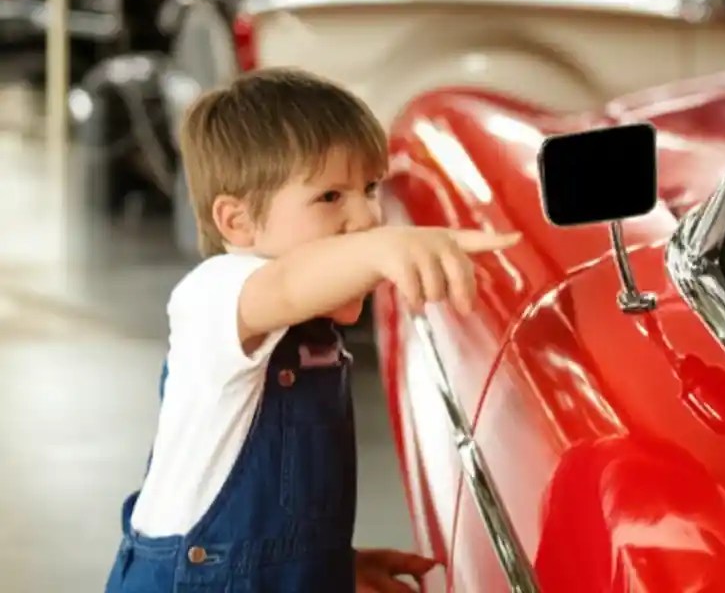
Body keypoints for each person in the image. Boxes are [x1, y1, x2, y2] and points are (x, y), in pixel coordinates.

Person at [104, 68, 521, 592]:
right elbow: (287, 285)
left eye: (370, 189)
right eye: (330, 198)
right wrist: (382, 249)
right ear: (237, 222)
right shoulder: (217, 294)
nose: (367, 216)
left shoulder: (311, 328)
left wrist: (324, 564)